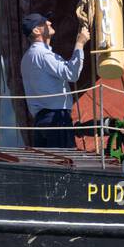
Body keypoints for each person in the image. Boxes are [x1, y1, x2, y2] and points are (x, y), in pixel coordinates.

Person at [20, 12, 89, 149]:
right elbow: (71, 74)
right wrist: (80, 43)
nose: (49, 23)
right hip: (56, 118)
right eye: (44, 22)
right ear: (36, 30)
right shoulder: (43, 55)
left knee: (49, 164)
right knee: (64, 163)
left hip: (41, 121)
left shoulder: (27, 57)